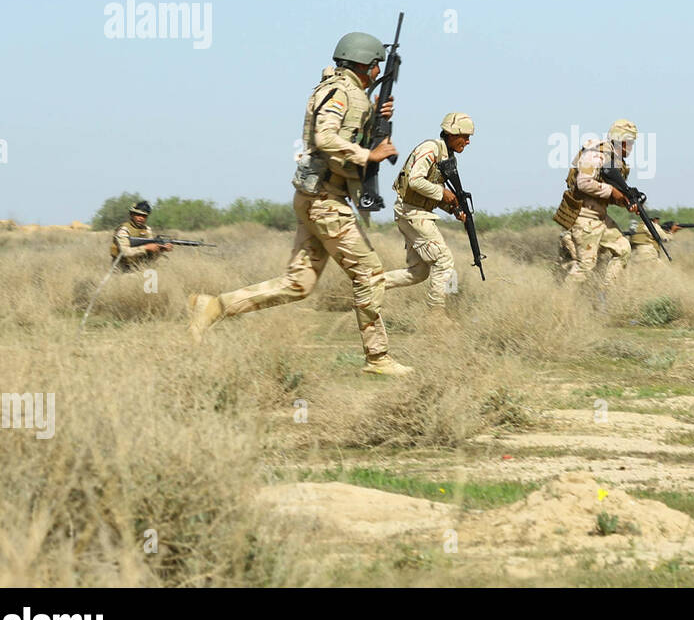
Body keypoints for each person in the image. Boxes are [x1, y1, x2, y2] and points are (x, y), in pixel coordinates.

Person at [187, 31, 412, 376]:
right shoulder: (341, 92)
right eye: (375, 65)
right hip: (326, 202)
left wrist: (374, 118)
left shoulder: (341, 91)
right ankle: (378, 358)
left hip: (316, 198)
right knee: (369, 273)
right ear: (363, 64)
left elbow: (344, 131)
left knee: (298, 284)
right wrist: (369, 152)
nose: (377, 71)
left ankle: (214, 306)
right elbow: (325, 137)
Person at [380, 113, 474, 308]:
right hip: (411, 211)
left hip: (418, 212)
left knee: (419, 272)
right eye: (464, 136)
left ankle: (371, 285)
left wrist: (455, 210)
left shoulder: (447, 157)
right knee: (444, 260)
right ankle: (437, 317)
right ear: (451, 134)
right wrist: (442, 192)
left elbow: (433, 193)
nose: (467, 141)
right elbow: (415, 181)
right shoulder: (431, 149)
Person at [552, 120, 640, 285]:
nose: (631, 147)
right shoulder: (596, 153)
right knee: (585, 267)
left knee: (623, 249)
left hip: (599, 217)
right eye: (629, 143)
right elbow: (583, 182)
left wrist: (626, 201)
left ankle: (606, 294)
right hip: (584, 217)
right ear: (620, 140)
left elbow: (610, 196)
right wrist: (612, 191)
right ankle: (562, 304)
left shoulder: (617, 162)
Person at [110, 200, 170, 272]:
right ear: (131, 215)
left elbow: (151, 257)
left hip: (140, 268)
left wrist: (160, 250)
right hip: (122, 270)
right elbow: (125, 252)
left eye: (144, 216)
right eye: (138, 215)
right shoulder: (124, 230)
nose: (141, 218)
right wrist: (146, 248)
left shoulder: (147, 230)